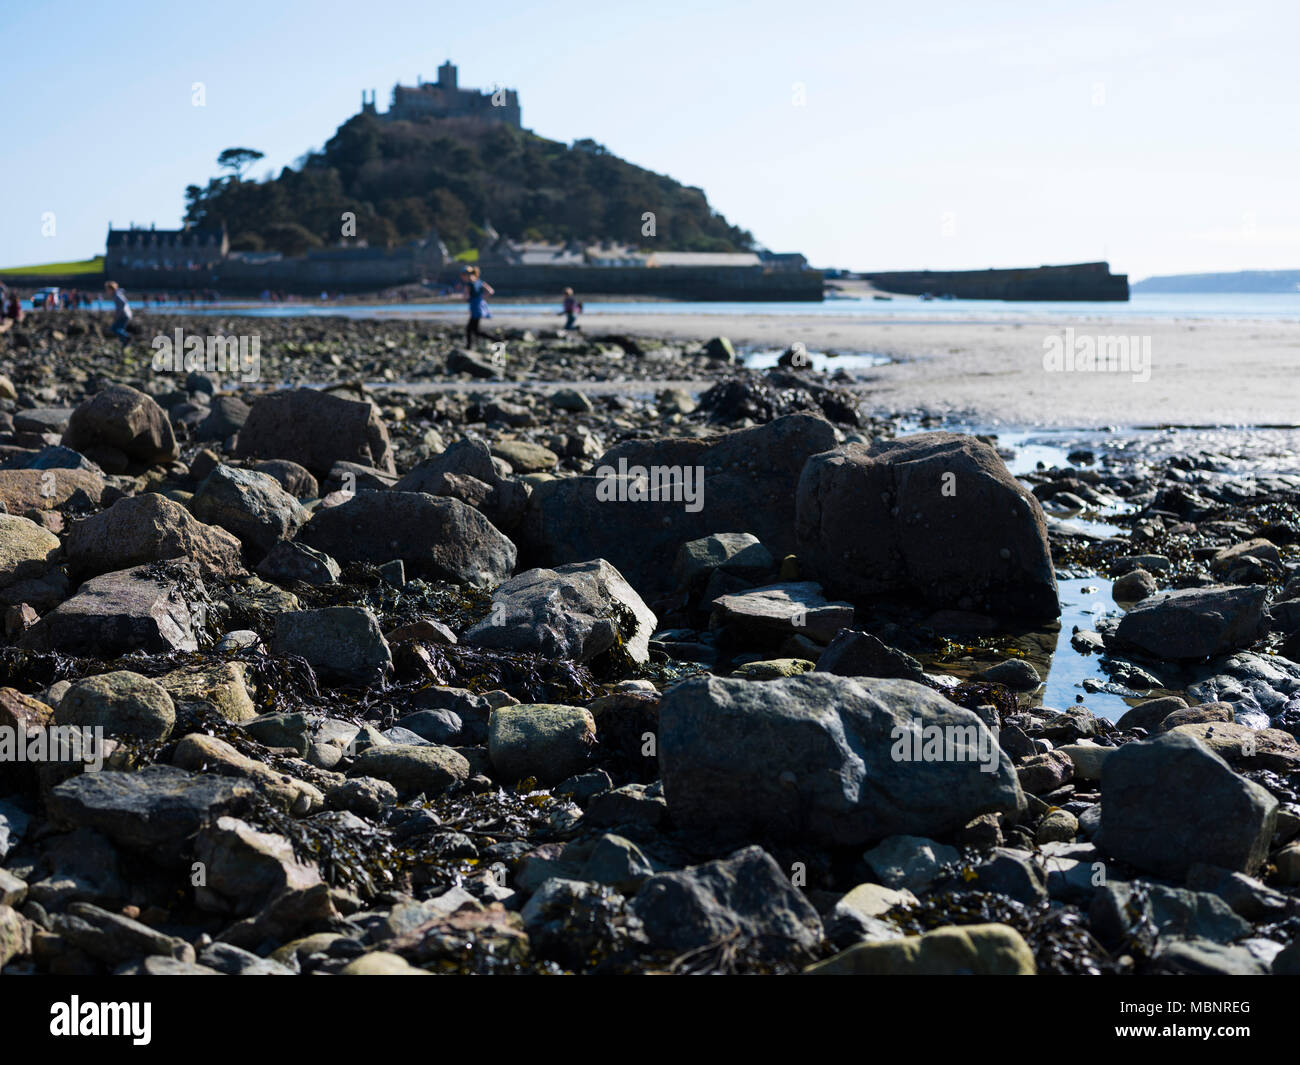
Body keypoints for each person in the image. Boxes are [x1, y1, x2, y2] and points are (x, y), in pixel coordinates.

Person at [461, 265, 494, 349]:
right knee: (474, 329)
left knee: (471, 329)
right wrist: (480, 298)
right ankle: (472, 345)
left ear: (466, 275)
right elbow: (491, 291)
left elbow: (465, 297)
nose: (462, 277)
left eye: (463, 275)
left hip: (475, 307)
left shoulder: (469, 284)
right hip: (481, 306)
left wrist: (471, 299)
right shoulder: (479, 281)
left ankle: (494, 339)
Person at [105, 280, 132, 345]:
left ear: (111, 289)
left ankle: (127, 337)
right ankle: (125, 343)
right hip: (124, 315)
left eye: (107, 289)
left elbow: (123, 302)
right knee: (119, 329)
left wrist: (118, 313)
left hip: (124, 315)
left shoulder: (117, 295)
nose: (106, 291)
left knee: (114, 328)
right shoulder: (116, 294)